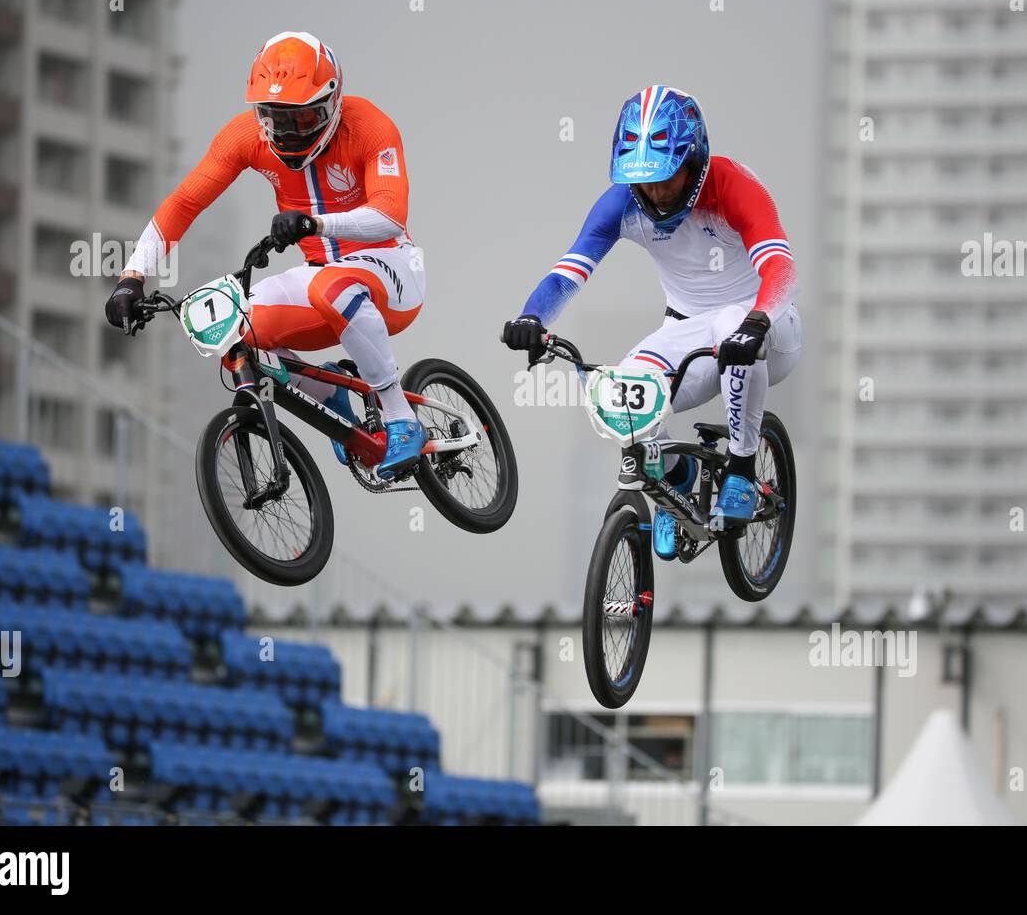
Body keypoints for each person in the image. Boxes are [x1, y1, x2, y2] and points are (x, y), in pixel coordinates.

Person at [104, 31, 426, 479]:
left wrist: (314, 224)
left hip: (392, 270)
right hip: (322, 276)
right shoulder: (245, 136)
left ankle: (400, 418)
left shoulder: (369, 125)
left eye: (301, 118)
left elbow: (390, 215)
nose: (288, 133)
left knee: (334, 285)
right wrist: (132, 277)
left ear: (332, 103)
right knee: (232, 326)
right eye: (275, 118)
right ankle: (327, 392)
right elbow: (183, 204)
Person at [502, 85, 802, 559]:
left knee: (729, 321)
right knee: (621, 392)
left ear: (695, 160)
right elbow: (569, 272)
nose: (657, 192)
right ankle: (673, 486)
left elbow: (781, 267)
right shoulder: (621, 202)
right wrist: (532, 317)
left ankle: (743, 470)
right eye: (643, 180)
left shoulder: (731, 185)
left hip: (768, 329)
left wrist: (758, 321)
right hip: (687, 329)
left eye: (667, 176)